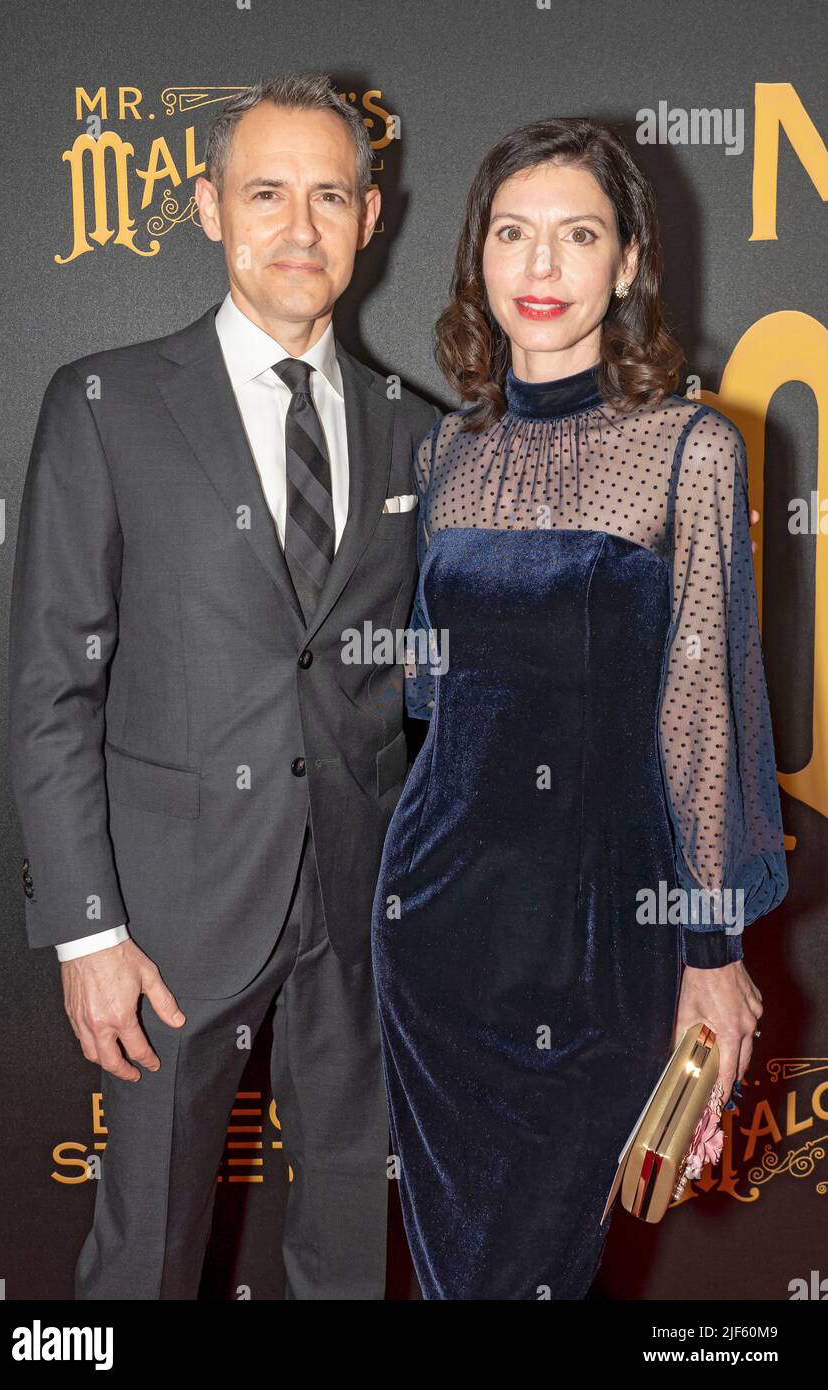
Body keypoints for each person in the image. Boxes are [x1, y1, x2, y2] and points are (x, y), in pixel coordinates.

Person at [8, 72, 438, 1300]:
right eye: (265, 194)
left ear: (369, 218)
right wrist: (88, 929)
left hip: (362, 914)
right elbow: (53, 684)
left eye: (328, 196)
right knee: (141, 1253)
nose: (298, 228)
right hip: (165, 925)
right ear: (205, 208)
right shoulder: (105, 404)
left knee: (349, 1243)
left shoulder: (423, 431)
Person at [370, 116, 788, 1300]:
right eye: (511, 233)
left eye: (575, 235)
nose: (539, 268)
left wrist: (709, 951)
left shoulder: (686, 450)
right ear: (477, 258)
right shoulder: (446, 454)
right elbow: (428, 702)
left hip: (602, 941)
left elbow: (701, 717)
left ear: (629, 262)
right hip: (437, 938)